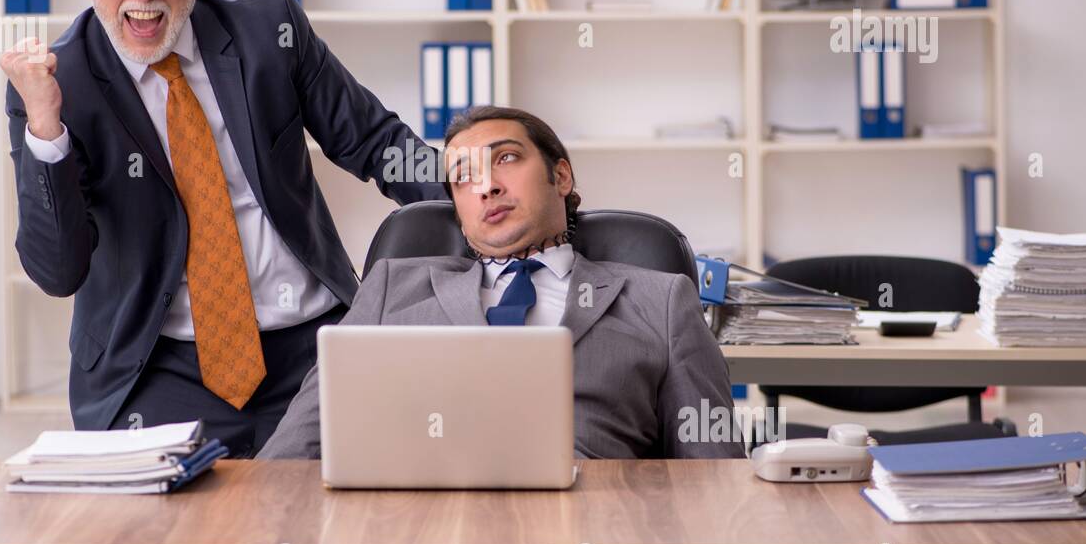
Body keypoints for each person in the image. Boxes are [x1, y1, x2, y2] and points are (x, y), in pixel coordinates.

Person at [0, 0, 444, 456]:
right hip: (156, 365)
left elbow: (374, 140)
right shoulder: (56, 84)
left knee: (355, 511)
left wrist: (477, 192)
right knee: (183, 537)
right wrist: (46, 128)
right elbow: (57, 272)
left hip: (311, 344)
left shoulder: (268, 28)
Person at [259, 105, 745, 460]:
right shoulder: (393, 289)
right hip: (415, 530)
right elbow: (302, 439)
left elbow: (712, 474)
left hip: (592, 532)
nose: (486, 186)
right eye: (463, 177)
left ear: (561, 176)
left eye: (507, 159)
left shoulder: (659, 302)